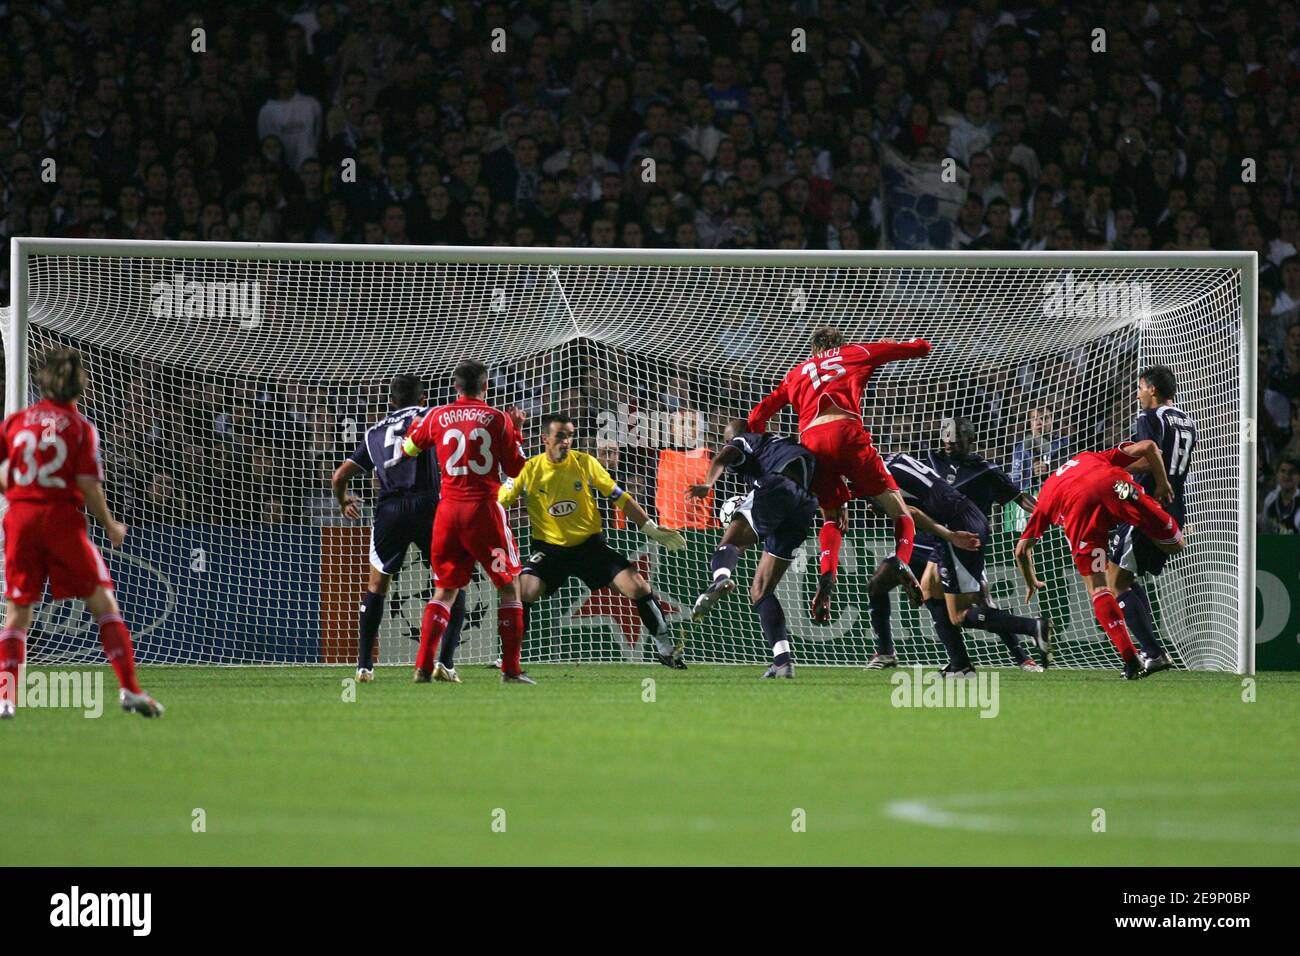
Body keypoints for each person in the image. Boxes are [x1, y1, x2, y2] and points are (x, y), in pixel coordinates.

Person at [0, 349, 163, 719]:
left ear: (42, 382)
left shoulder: (16, 422)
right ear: (80, 386)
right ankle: (130, 690)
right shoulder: (78, 427)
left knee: (18, 612)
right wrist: (110, 524)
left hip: (21, 518)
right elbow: (88, 486)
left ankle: (5, 698)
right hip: (60, 519)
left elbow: (3, 471)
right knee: (104, 603)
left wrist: (20, 494)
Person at [747, 325, 932, 625]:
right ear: (839, 344)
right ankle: (901, 559)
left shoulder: (796, 373)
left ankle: (826, 577)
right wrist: (919, 344)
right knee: (902, 514)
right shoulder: (853, 352)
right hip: (847, 432)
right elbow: (914, 348)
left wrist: (766, 455)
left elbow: (757, 416)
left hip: (812, 442)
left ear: (813, 350)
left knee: (832, 517)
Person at [498, 413, 687, 669]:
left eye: (570, 436)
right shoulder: (528, 470)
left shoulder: (585, 463)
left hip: (590, 546)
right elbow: (499, 504)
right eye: (560, 436)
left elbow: (620, 497)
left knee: (639, 587)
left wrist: (650, 528)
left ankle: (665, 649)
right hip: (549, 549)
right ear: (545, 439)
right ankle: (510, 658)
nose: (566, 441)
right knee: (523, 591)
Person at [400, 359, 531, 683]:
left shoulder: (438, 415)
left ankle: (423, 667)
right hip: (483, 512)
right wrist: (517, 430)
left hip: (447, 513)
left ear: (455, 387)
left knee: (445, 590)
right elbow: (516, 470)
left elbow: (409, 449)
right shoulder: (497, 419)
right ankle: (511, 671)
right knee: (509, 587)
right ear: (486, 386)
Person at [331, 373, 466, 683]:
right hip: (429, 507)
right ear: (423, 400)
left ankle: (364, 667)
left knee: (377, 585)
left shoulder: (374, 432)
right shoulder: (431, 416)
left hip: (388, 510)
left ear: (390, 401)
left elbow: (339, 477)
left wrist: (343, 501)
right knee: (451, 582)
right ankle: (444, 663)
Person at [1015, 441, 1184, 679]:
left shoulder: (1045, 498)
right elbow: (1149, 448)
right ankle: (1139, 504)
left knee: (1099, 587)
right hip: (1115, 486)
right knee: (1176, 545)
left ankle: (1130, 657)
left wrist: (1030, 579)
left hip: (1080, 512)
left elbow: (1021, 550)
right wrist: (1163, 481)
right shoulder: (1090, 456)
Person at [878, 452, 1052, 675]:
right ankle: (961, 665)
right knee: (929, 588)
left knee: (960, 613)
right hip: (961, 518)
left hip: (957, 525)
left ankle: (1032, 627)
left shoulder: (877, 476)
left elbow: (910, 512)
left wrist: (950, 535)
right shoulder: (893, 459)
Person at [685, 420, 819, 679]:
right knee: (761, 590)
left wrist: (708, 484)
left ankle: (721, 578)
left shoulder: (746, 441)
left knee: (729, 544)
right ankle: (782, 661)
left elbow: (724, 457)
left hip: (777, 487)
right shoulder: (784, 443)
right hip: (804, 504)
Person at [1106, 367, 1197, 675]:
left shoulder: (1150, 417)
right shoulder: (1186, 420)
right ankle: (1152, 650)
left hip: (1146, 505)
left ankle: (1153, 652)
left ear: (1153, 390)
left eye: (1141, 388)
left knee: (1115, 582)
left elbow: (1150, 455)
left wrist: (1112, 470)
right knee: (1127, 579)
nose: (1138, 393)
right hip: (1175, 509)